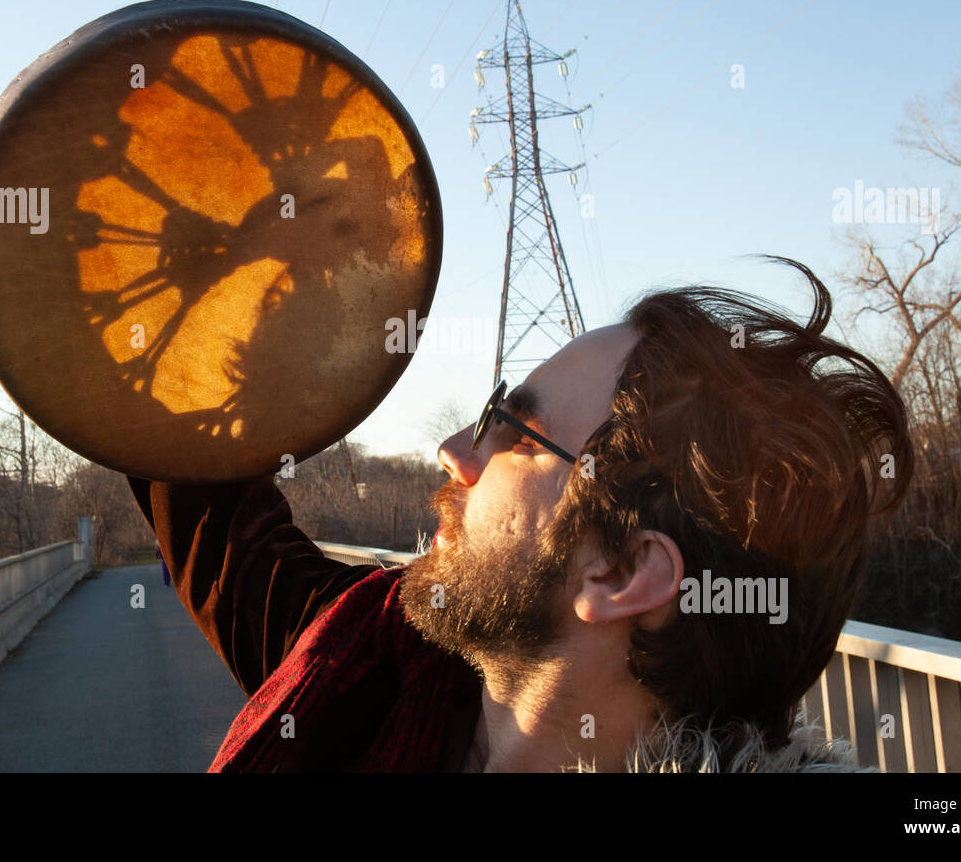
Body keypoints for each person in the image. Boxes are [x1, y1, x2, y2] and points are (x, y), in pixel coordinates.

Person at [128, 259, 912, 772]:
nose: (453, 450)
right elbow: (215, 513)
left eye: (514, 429)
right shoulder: (364, 669)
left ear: (623, 572)